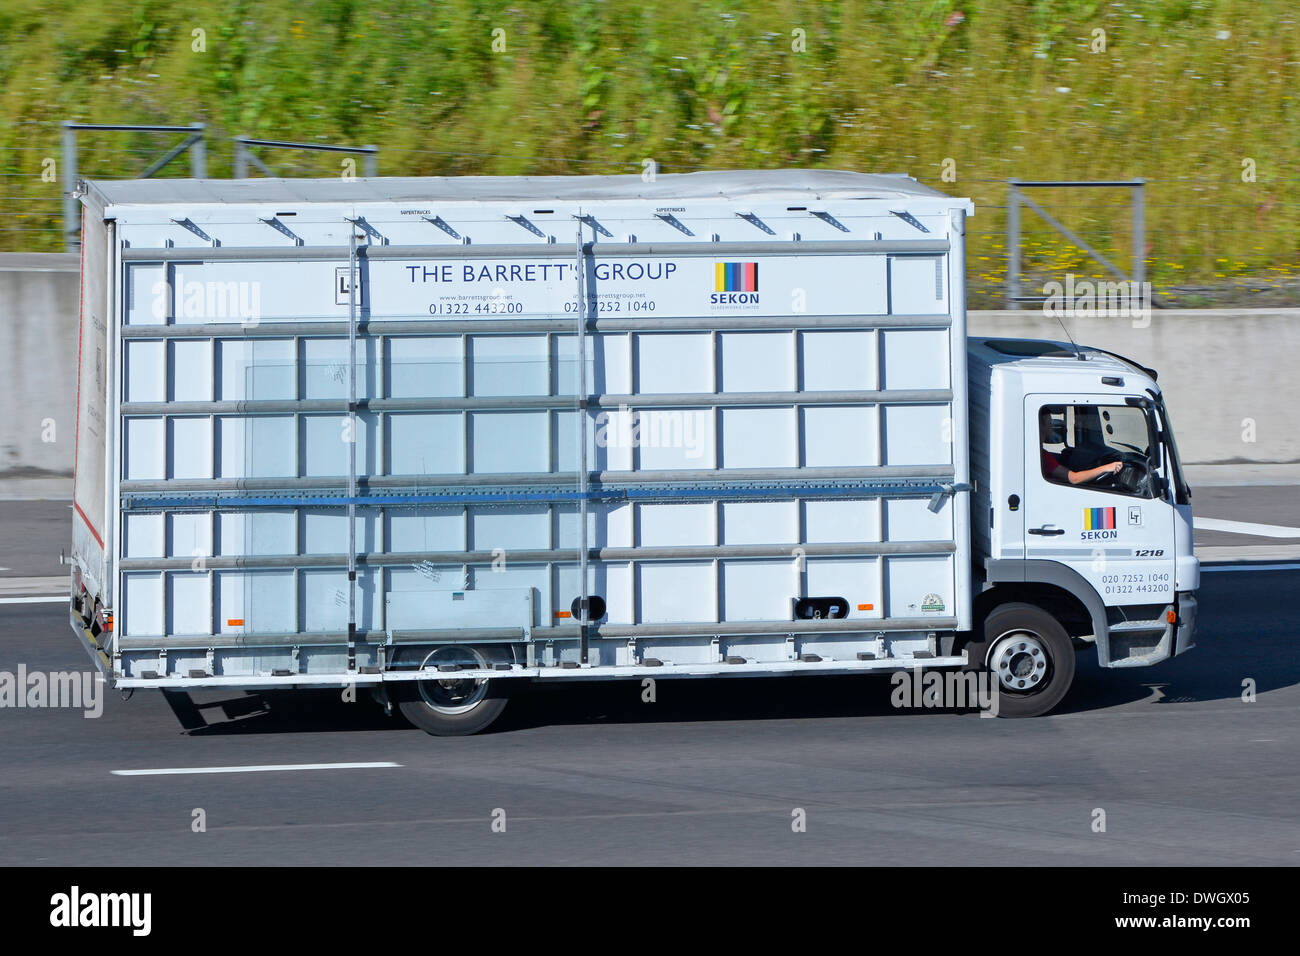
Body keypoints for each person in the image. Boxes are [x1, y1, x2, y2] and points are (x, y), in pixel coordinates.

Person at [1040, 409, 1123, 485]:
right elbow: (1074, 478)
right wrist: (1107, 467)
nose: (1052, 425)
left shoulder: (1040, 453)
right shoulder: (1043, 456)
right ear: (1041, 426)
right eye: (1050, 422)